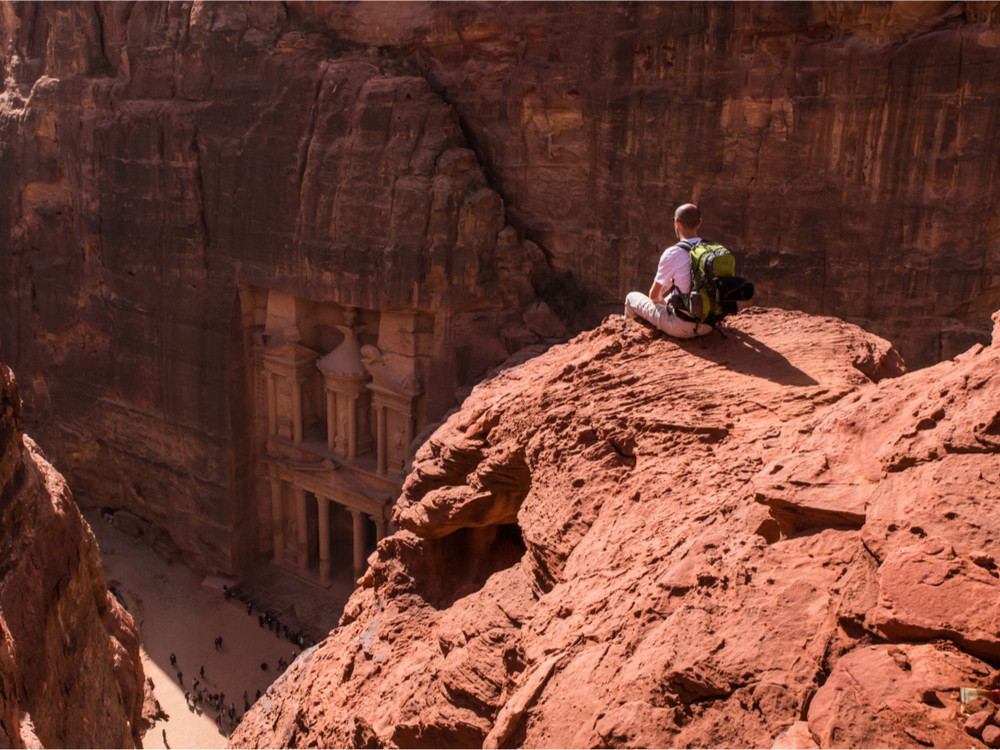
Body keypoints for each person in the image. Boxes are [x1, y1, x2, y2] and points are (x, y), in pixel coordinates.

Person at [624, 203, 711, 339]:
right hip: (709, 324)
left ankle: (627, 335)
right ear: (699, 223)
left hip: (682, 327)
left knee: (631, 298)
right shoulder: (711, 250)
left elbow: (653, 296)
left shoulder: (673, 253)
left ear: (677, 223)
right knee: (674, 295)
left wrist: (662, 302)